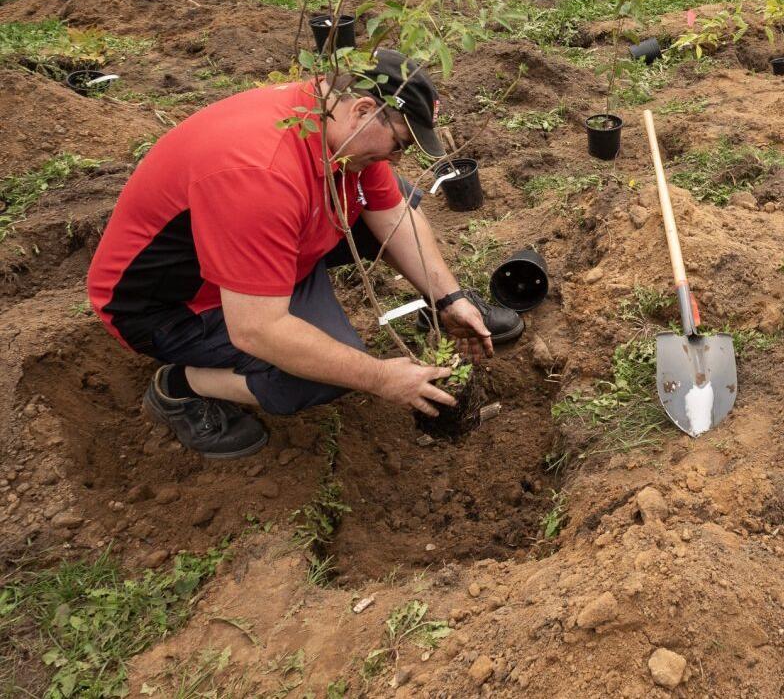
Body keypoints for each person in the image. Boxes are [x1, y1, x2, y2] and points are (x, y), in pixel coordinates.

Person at [87, 49, 524, 458]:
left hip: (263, 255)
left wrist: (449, 298)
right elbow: (257, 329)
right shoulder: (260, 176)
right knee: (316, 375)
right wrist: (380, 377)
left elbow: (392, 215)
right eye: (400, 144)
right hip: (173, 305)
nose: (396, 157)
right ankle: (182, 386)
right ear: (363, 111)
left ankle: (425, 306)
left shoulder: (328, 118)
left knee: (396, 194)